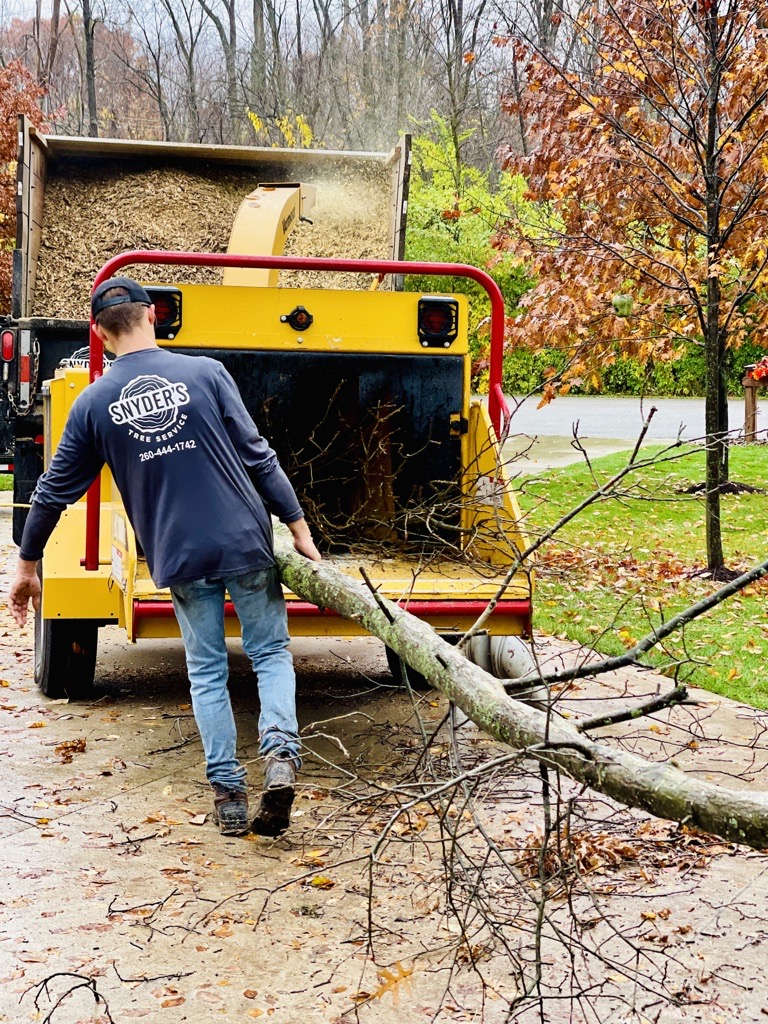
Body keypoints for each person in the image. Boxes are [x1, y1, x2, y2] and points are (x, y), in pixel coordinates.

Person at [8, 276, 321, 838]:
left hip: (179, 552)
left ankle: (229, 795)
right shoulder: (207, 373)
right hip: (244, 540)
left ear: (99, 333)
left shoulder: (93, 403)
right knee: (270, 652)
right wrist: (299, 529)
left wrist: (26, 567)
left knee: (207, 671)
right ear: (152, 315)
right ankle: (280, 755)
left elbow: (52, 491)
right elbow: (259, 457)